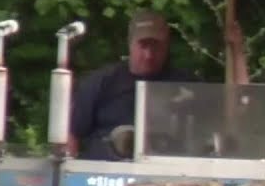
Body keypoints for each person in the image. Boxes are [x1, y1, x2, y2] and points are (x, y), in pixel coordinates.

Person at [69, 9, 198, 161]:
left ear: (167, 46)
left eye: (156, 47)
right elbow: (71, 134)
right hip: (105, 169)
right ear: (130, 44)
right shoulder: (101, 82)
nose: (149, 55)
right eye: (143, 46)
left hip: (165, 169)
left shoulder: (185, 86)